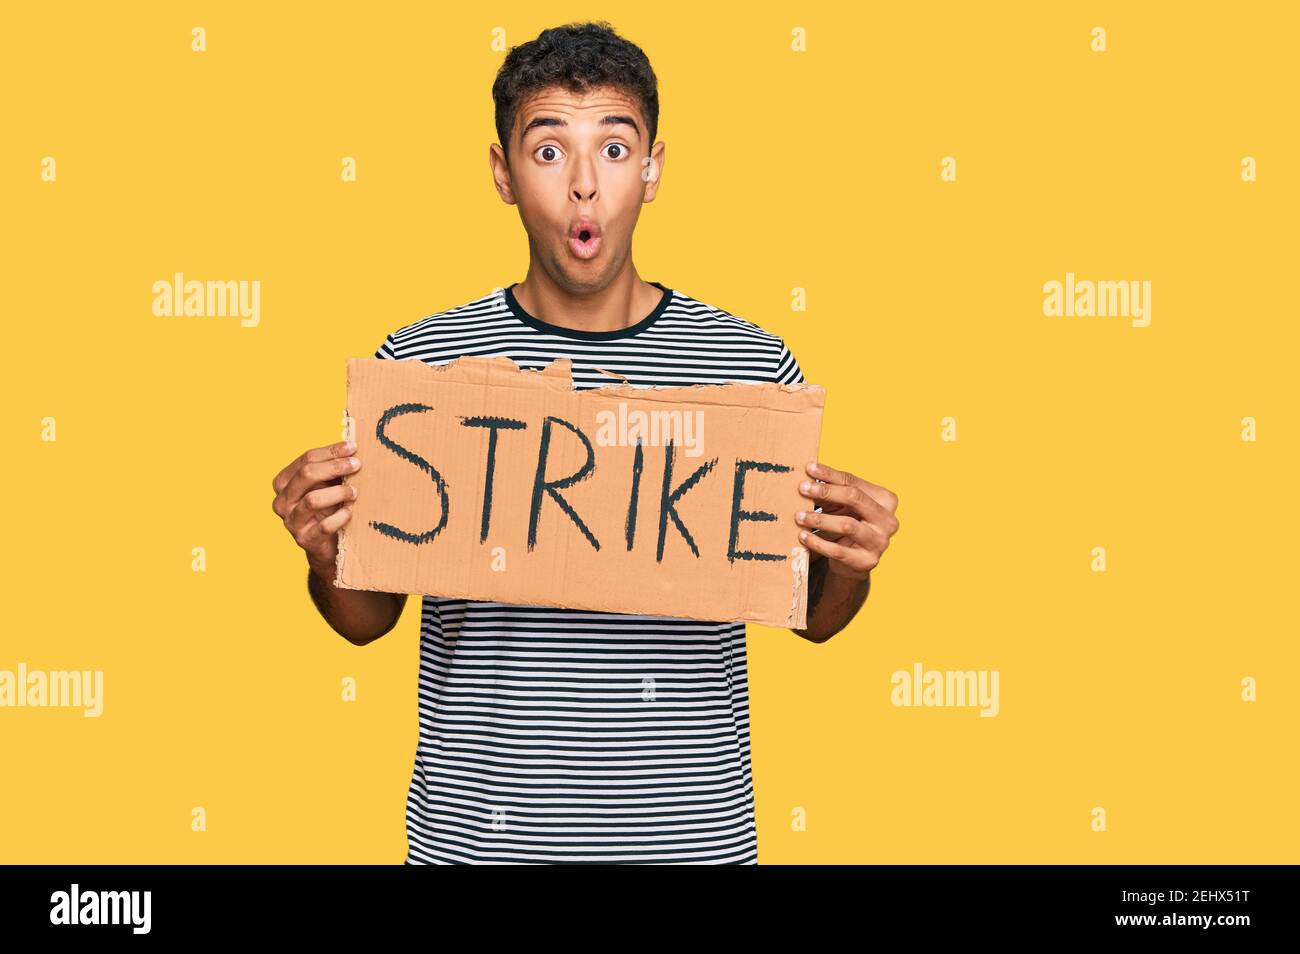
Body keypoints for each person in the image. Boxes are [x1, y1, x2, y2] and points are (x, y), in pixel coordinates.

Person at [270, 21, 899, 864]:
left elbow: (812, 620)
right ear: (503, 172)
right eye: (548, 151)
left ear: (653, 169)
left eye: (612, 149)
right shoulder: (422, 368)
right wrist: (324, 554)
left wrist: (849, 565)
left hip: (689, 844)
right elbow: (366, 622)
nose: (583, 188)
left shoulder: (749, 368)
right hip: (478, 845)